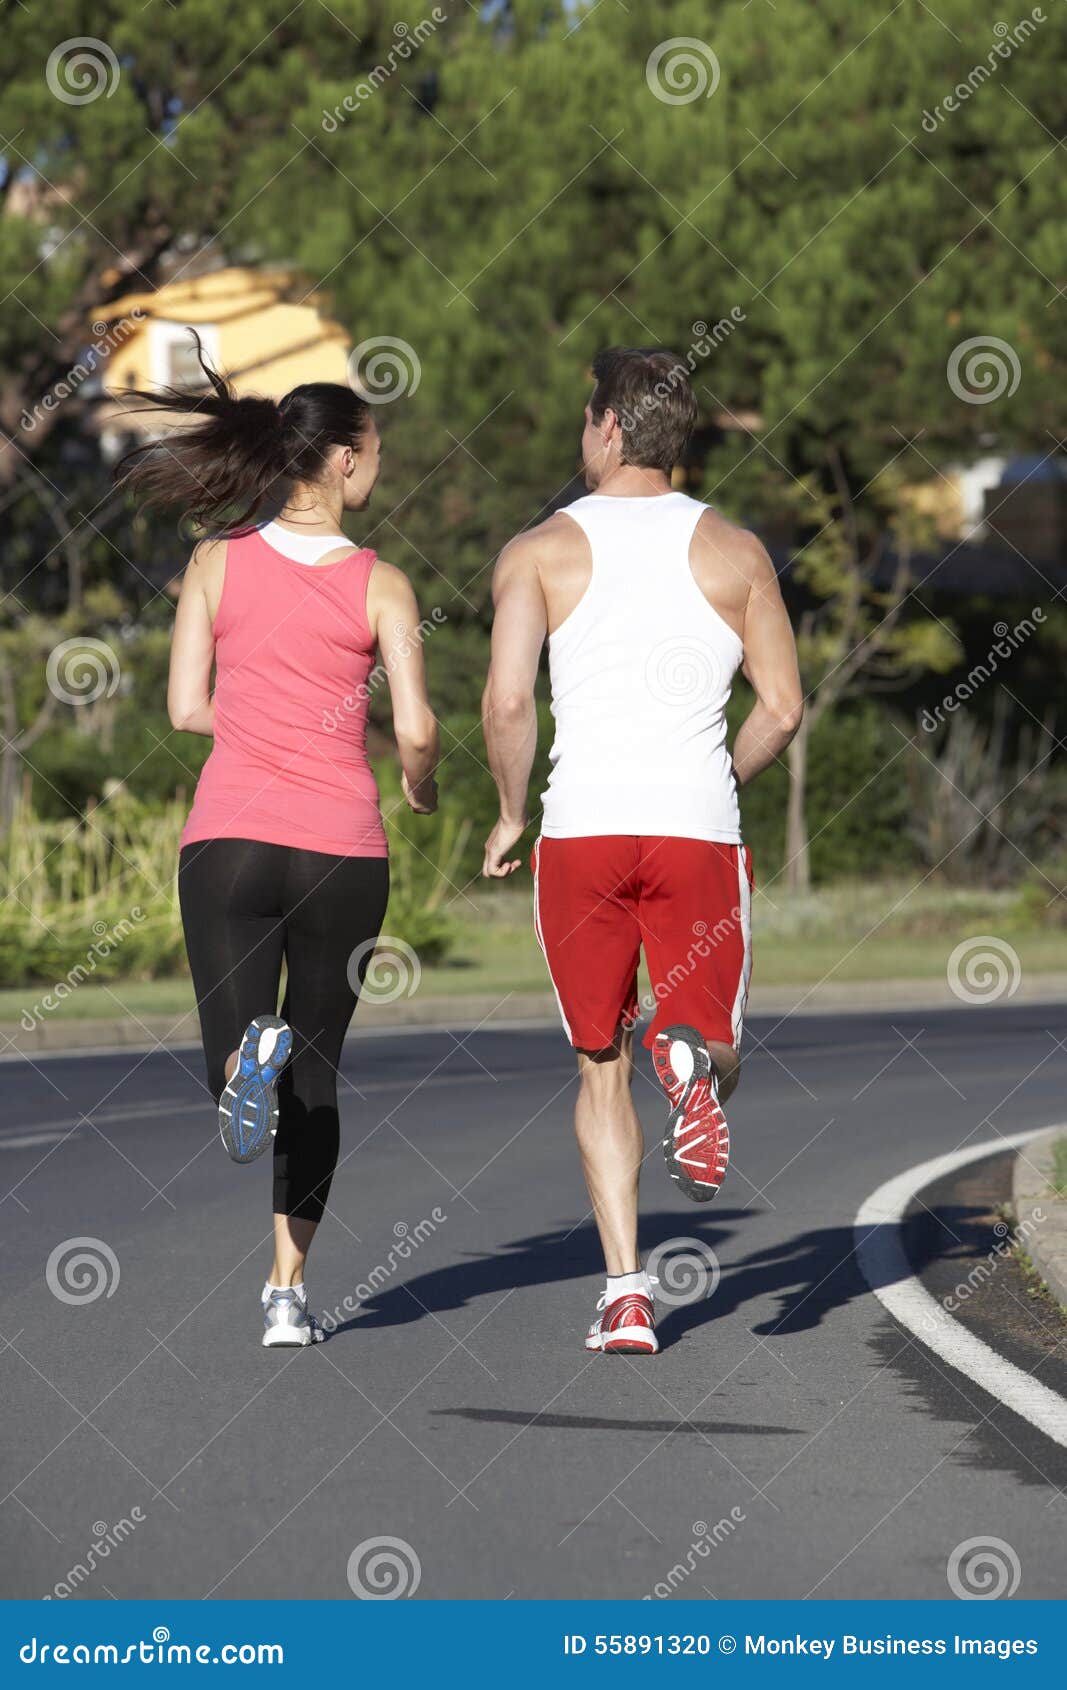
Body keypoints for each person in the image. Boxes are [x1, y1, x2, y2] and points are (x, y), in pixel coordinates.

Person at [481, 347, 803, 1357]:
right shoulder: (735, 552)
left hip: (580, 829)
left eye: (586, 421)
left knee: (594, 1067)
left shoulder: (535, 551)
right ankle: (691, 1058)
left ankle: (625, 1294)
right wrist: (717, 777)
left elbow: (503, 703)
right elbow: (783, 709)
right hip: (692, 827)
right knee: (713, 1045)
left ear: (608, 427)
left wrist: (505, 813)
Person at [118, 336, 438, 1348]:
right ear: (341, 459)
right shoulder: (379, 581)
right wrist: (419, 787)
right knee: (316, 1074)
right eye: (374, 450)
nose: (377, 468)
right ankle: (286, 1293)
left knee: (238, 1063)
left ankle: (239, 1059)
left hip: (231, 843)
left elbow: (183, 707)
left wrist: (262, 724)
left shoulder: (214, 562)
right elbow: (420, 729)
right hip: (342, 849)